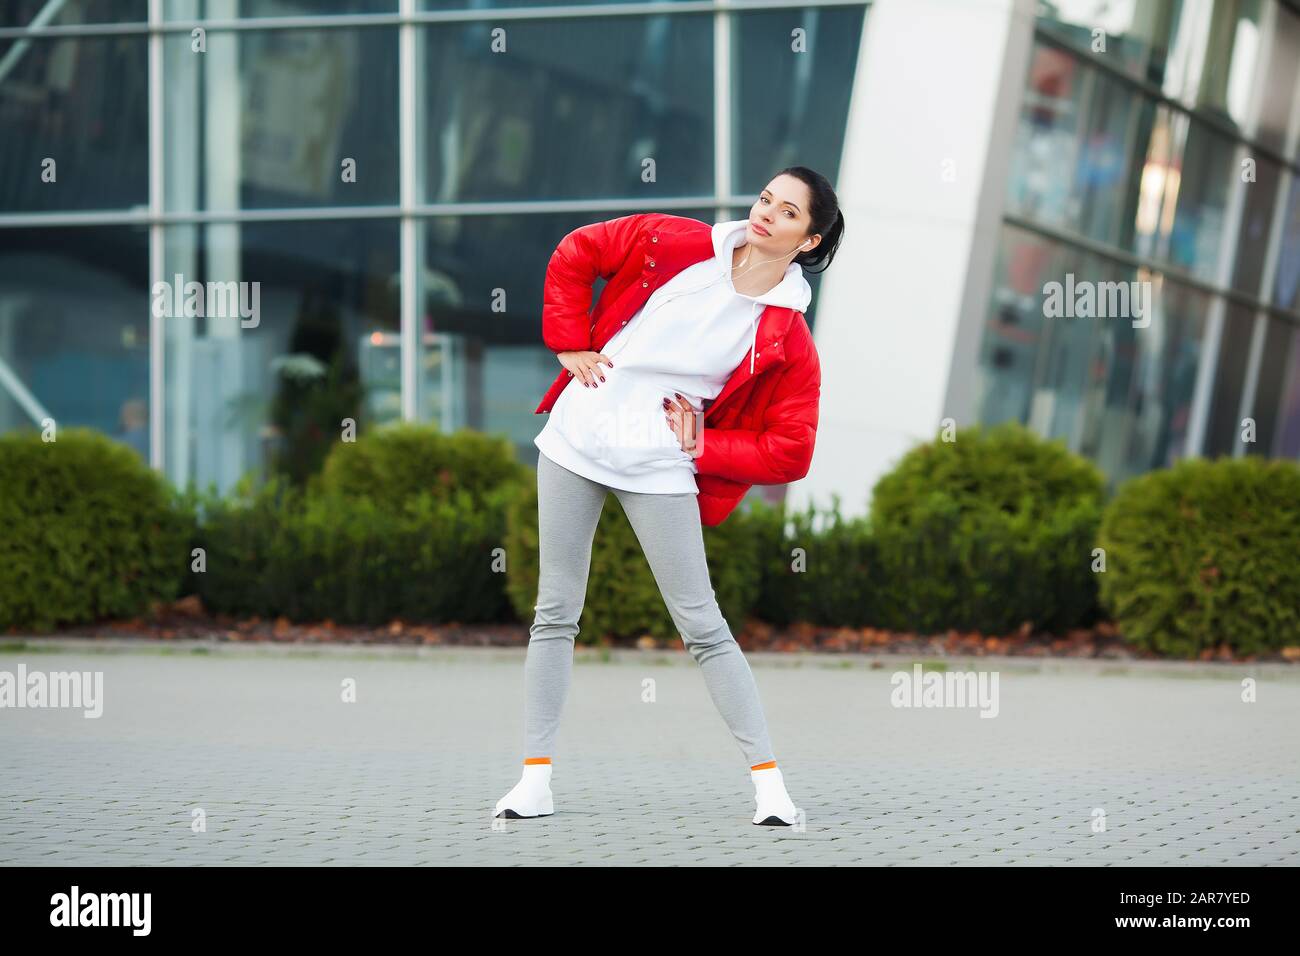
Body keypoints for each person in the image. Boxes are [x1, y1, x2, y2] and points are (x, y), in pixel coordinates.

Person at [495, 167, 844, 825]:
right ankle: (534, 782)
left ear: (808, 240)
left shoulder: (787, 337)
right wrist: (570, 340)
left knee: (703, 625)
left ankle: (771, 790)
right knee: (555, 611)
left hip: (659, 466)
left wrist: (703, 448)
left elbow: (790, 450)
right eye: (766, 198)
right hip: (576, 439)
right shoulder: (679, 244)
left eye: (788, 212)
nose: (767, 212)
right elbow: (578, 252)